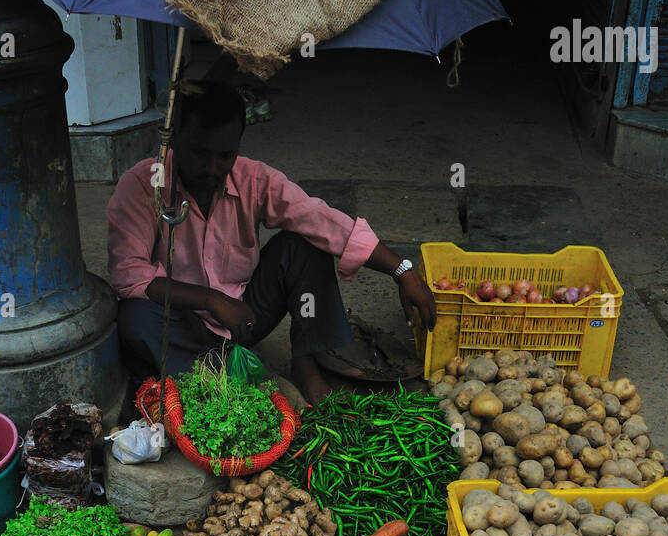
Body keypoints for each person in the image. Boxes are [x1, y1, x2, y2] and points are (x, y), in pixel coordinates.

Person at [106, 80, 436, 405]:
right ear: (174, 137)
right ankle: (215, 374)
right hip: (179, 319)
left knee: (305, 244)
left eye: (225, 155)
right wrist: (209, 299)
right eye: (199, 152)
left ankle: (305, 359)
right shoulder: (142, 185)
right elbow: (128, 275)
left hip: (245, 317)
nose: (212, 168)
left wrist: (402, 271)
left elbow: (320, 220)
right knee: (133, 316)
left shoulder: (253, 178)